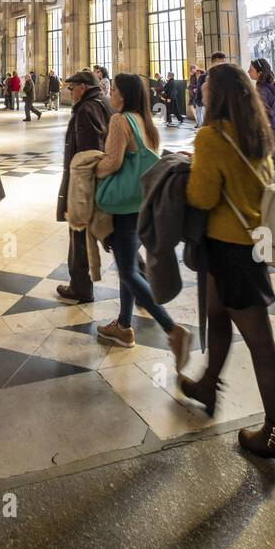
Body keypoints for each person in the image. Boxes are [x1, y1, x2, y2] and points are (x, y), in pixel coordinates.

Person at [182, 61, 275, 469]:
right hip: (251, 246)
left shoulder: (212, 137)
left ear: (219, 95)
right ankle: (208, 384)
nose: (203, 91)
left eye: (208, 87)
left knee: (262, 345)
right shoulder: (257, 132)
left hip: (231, 250)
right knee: (216, 313)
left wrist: (191, 169)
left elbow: (201, 195)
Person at [94, 73, 191, 367]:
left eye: (114, 89)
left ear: (123, 95)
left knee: (128, 271)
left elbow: (113, 161)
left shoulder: (120, 121)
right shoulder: (146, 122)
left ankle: (172, 329)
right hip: (143, 201)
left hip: (123, 205)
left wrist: (90, 169)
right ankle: (124, 326)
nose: (110, 92)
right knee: (129, 262)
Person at [56, 70, 112, 304]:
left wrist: (81, 187)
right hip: (103, 181)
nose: (70, 93)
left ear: (82, 87)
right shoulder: (104, 103)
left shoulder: (87, 109)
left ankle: (80, 287)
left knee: (79, 230)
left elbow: (89, 152)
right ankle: (140, 276)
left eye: (72, 88)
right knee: (110, 234)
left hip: (85, 182)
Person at [249, 58, 275, 163]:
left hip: (267, 129)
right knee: (271, 164)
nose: (248, 71)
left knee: (266, 165)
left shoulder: (261, 89)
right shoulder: (271, 86)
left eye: (251, 70)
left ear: (260, 73)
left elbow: (261, 109)